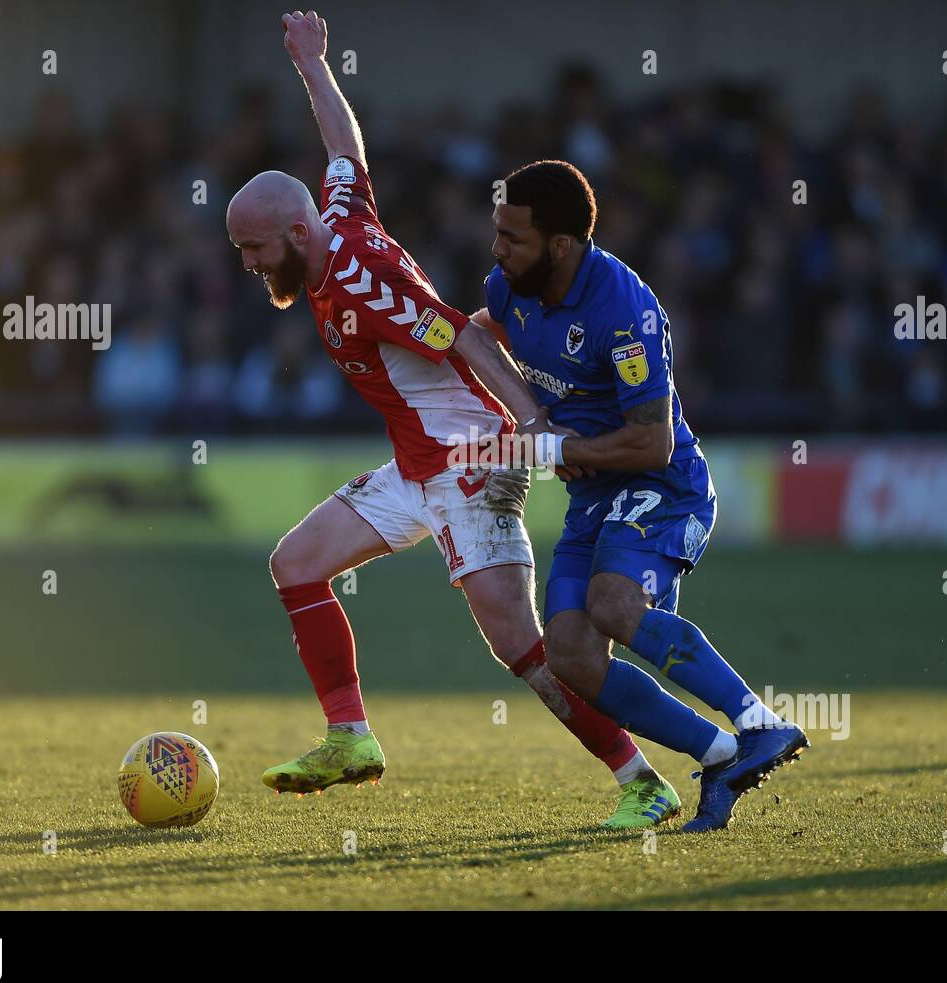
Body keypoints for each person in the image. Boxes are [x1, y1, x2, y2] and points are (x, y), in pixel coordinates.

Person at [223, 11, 681, 829]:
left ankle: (641, 778)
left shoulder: (362, 280)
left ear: (296, 233)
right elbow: (343, 151)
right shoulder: (336, 219)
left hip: (471, 459)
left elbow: (465, 331)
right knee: (295, 562)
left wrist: (533, 421)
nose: (251, 267)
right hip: (418, 463)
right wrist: (312, 65)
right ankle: (350, 736)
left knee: (524, 651)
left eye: (255, 250)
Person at [467, 159, 810, 831]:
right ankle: (719, 755)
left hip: (662, 485)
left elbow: (651, 445)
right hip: (593, 498)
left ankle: (758, 722)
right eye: (496, 232)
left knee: (613, 603)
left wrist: (556, 448)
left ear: (560, 245)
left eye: (512, 237)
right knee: (567, 655)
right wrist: (531, 419)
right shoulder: (510, 287)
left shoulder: (624, 312)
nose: (497, 248)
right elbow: (477, 334)